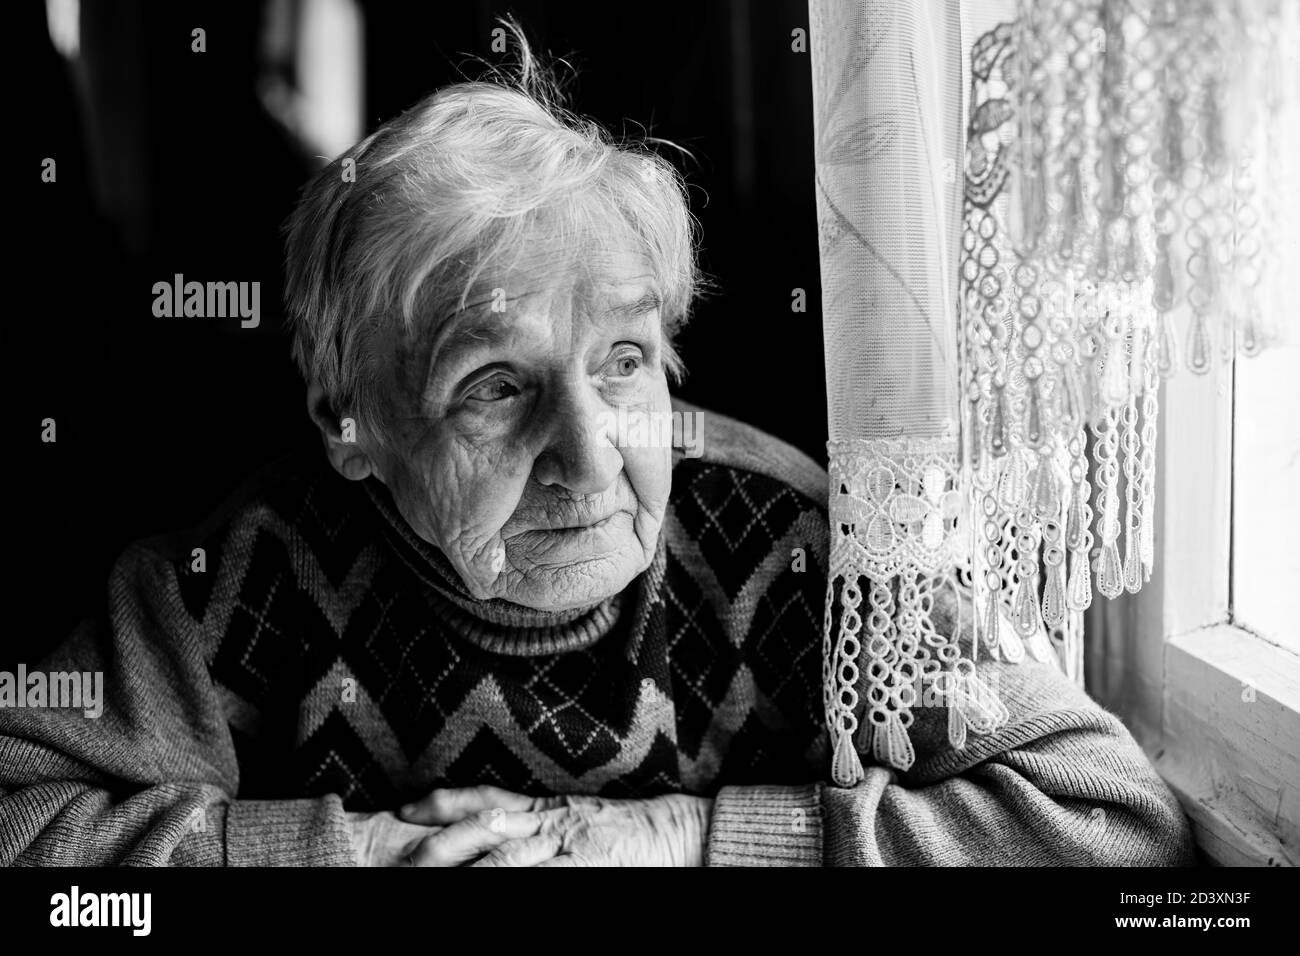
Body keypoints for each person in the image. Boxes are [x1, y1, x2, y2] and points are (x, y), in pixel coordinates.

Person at [0, 32, 1195, 867]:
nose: (586, 453)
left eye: (621, 361)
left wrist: (694, 841)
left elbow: (1107, 826)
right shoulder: (229, 581)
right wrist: (344, 853)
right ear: (347, 422)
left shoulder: (807, 546)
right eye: (496, 385)